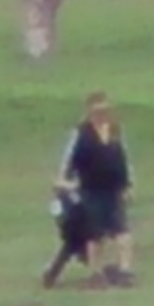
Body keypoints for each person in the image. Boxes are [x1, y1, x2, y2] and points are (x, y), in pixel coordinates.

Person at [57, 92, 134, 286]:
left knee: (122, 230)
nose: (102, 115)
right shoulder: (82, 133)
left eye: (105, 110)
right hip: (90, 189)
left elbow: (122, 159)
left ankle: (125, 271)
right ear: (90, 112)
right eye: (98, 111)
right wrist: (65, 182)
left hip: (113, 189)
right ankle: (95, 274)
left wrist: (127, 185)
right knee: (94, 234)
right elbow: (70, 160)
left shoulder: (115, 130)